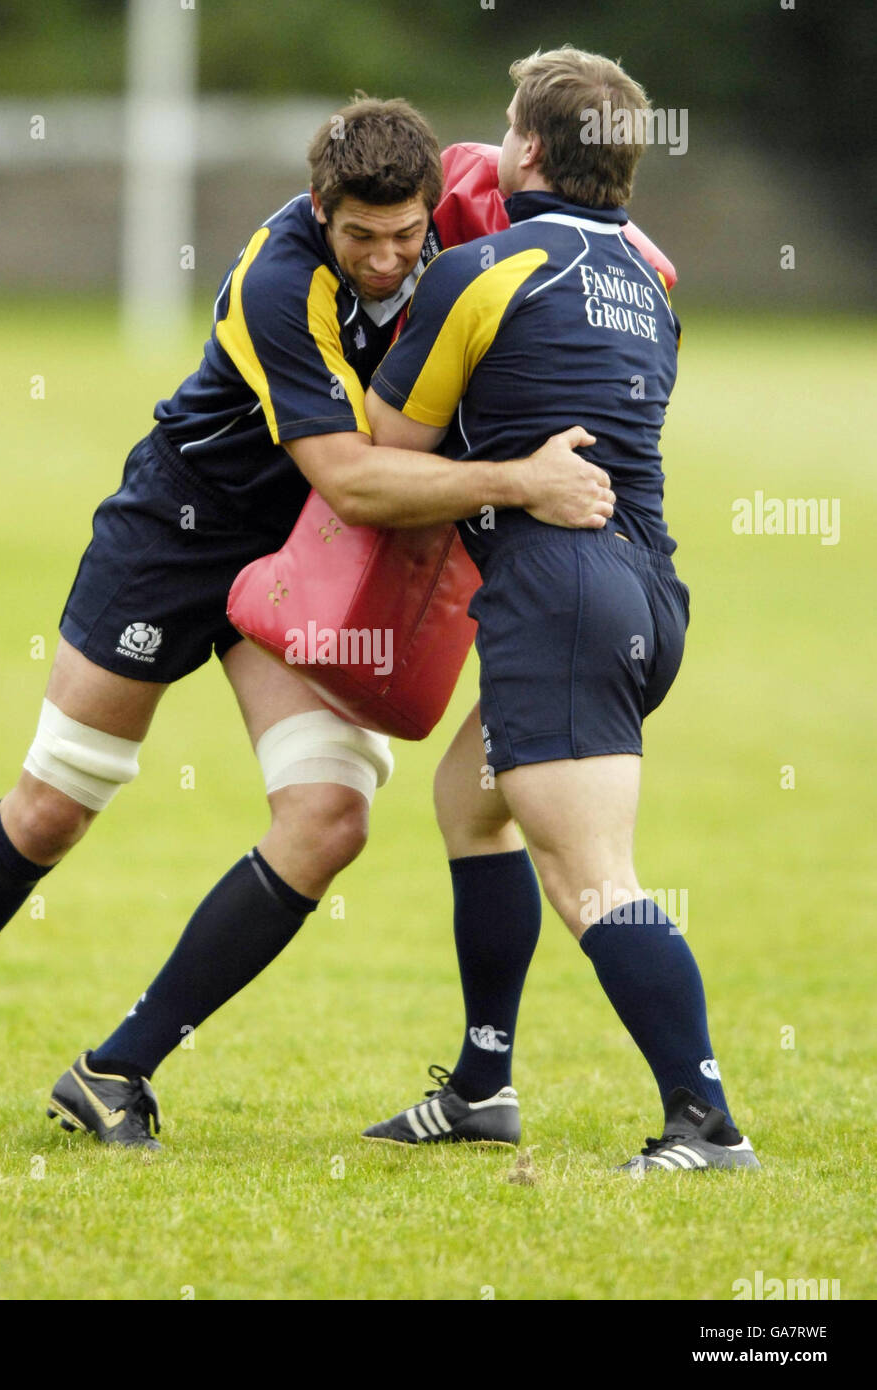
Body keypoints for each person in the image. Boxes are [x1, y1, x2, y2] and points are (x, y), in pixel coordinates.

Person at [0, 96, 613, 1149]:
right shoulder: (275, 278)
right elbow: (349, 481)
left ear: (435, 203)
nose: (386, 262)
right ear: (317, 208)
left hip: (299, 565)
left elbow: (571, 197)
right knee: (57, 800)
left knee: (330, 820)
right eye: (360, 238)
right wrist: (519, 482)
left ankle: (116, 1071)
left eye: (405, 236)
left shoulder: (461, 207)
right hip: (180, 533)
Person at [361, 50, 759, 1174]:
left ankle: (705, 1124)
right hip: (641, 592)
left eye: (503, 126)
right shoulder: (649, 284)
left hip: (560, 596)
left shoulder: (483, 271)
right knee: (468, 798)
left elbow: (390, 459)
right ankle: (483, 1084)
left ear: (526, 150)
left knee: (591, 877)